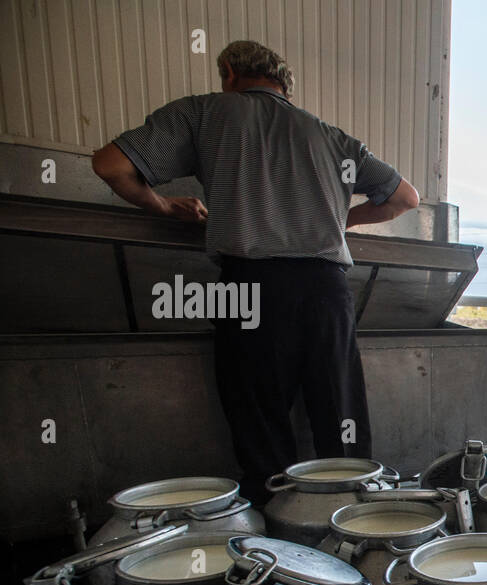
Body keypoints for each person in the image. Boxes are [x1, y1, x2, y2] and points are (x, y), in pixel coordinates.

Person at [91, 40, 419, 505]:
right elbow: (406, 198)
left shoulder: (204, 113)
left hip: (250, 288)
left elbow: (109, 165)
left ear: (228, 72)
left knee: (260, 418)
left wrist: (163, 205)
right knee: (339, 411)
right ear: (286, 86)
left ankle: (277, 531)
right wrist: (339, 220)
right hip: (327, 291)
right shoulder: (333, 138)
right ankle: (351, 524)